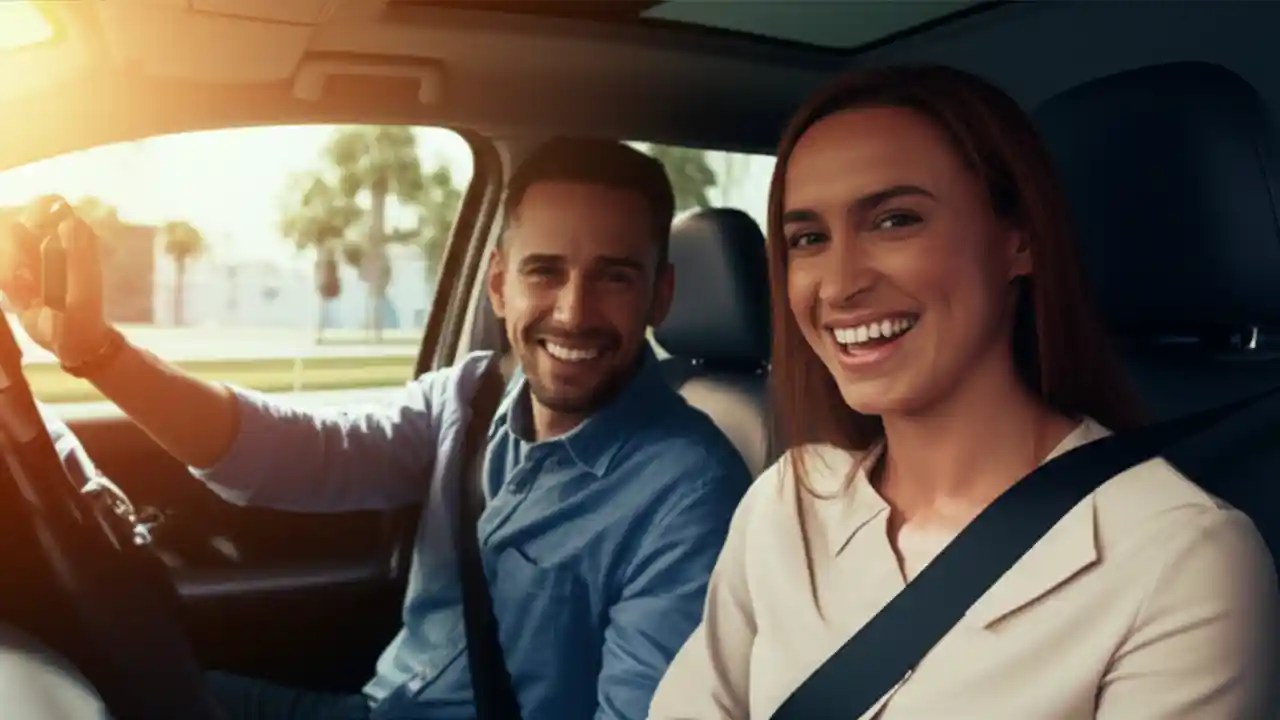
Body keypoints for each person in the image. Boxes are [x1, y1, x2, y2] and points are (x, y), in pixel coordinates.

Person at [0, 138, 752, 720]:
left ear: (661, 295)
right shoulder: (471, 395)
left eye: (615, 276)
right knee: (130, 693)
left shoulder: (691, 488)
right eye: (545, 271)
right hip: (371, 707)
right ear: (499, 283)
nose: (573, 311)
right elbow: (290, 454)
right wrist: (95, 352)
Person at [649, 66, 1279, 718]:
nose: (837, 286)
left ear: (1020, 240)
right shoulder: (786, 504)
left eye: (895, 221)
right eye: (808, 239)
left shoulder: (1180, 559)